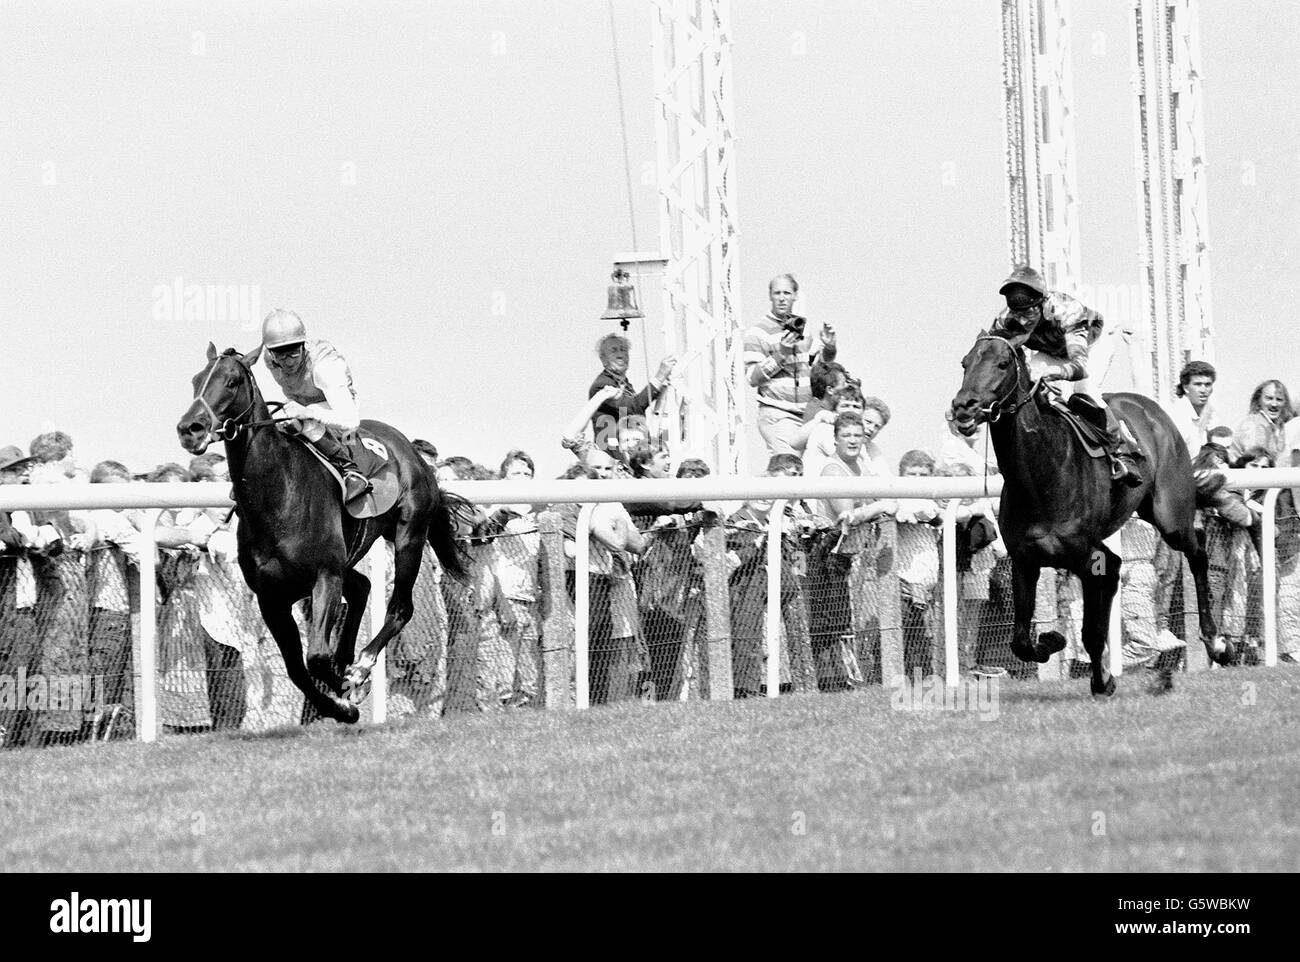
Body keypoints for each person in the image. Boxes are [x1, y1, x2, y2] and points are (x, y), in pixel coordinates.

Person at [989, 265, 1142, 486]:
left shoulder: (1067, 310)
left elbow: (1079, 366)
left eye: (1029, 312)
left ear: (1042, 303)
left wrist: (1056, 372)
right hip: (1052, 351)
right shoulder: (1006, 319)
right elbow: (992, 353)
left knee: (1084, 392)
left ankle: (1122, 452)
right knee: (1028, 386)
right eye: (1018, 313)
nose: (1022, 321)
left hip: (1091, 348)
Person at [258, 308, 370, 503]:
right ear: (270, 352)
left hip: (337, 409)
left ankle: (351, 472)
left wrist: (308, 412)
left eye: (293, 352)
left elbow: (350, 420)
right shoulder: (270, 360)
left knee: (304, 421)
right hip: (302, 407)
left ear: (303, 345)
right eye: (280, 355)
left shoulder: (324, 367)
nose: (287, 361)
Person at [743, 273, 838, 455]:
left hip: (806, 413)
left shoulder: (803, 329)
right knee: (789, 470)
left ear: (795, 295)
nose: (781, 298)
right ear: (770, 296)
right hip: (778, 411)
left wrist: (829, 347)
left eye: (786, 293)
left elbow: (818, 370)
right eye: (777, 293)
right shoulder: (757, 333)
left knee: (809, 468)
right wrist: (782, 354)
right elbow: (752, 377)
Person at [588, 333, 676, 459]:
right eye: (614, 351)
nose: (620, 355)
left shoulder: (624, 384)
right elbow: (632, 407)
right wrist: (660, 376)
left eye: (623, 350)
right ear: (603, 359)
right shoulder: (602, 385)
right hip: (611, 459)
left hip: (629, 454)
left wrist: (662, 389)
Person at [1165, 360, 1221, 456]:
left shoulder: (1212, 414)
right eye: (1198, 384)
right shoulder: (1175, 415)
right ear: (1186, 388)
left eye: (1207, 385)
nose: (1203, 390)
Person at [1231, 379, 1293, 464]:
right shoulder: (1252, 425)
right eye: (1269, 398)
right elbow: (1256, 463)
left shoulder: (1281, 427)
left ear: (1285, 403)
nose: (1274, 404)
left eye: (1279, 399)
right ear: (1259, 400)